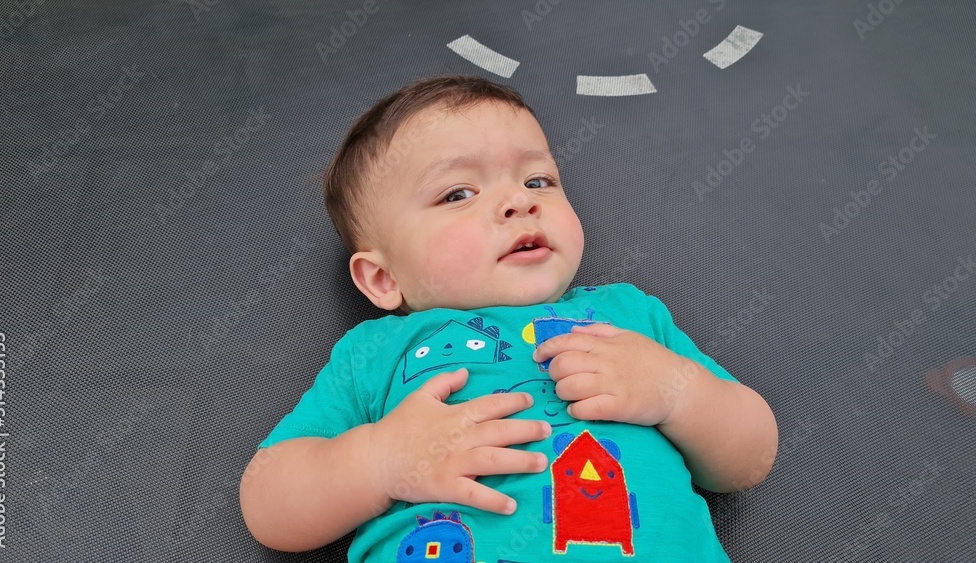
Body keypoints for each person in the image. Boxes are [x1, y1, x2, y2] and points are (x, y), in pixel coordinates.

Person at [239, 74, 778, 561]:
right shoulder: (377, 351)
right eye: (458, 193)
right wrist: (379, 461)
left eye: (538, 180)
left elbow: (750, 458)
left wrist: (676, 393)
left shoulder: (629, 315)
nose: (519, 202)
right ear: (384, 279)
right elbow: (267, 504)